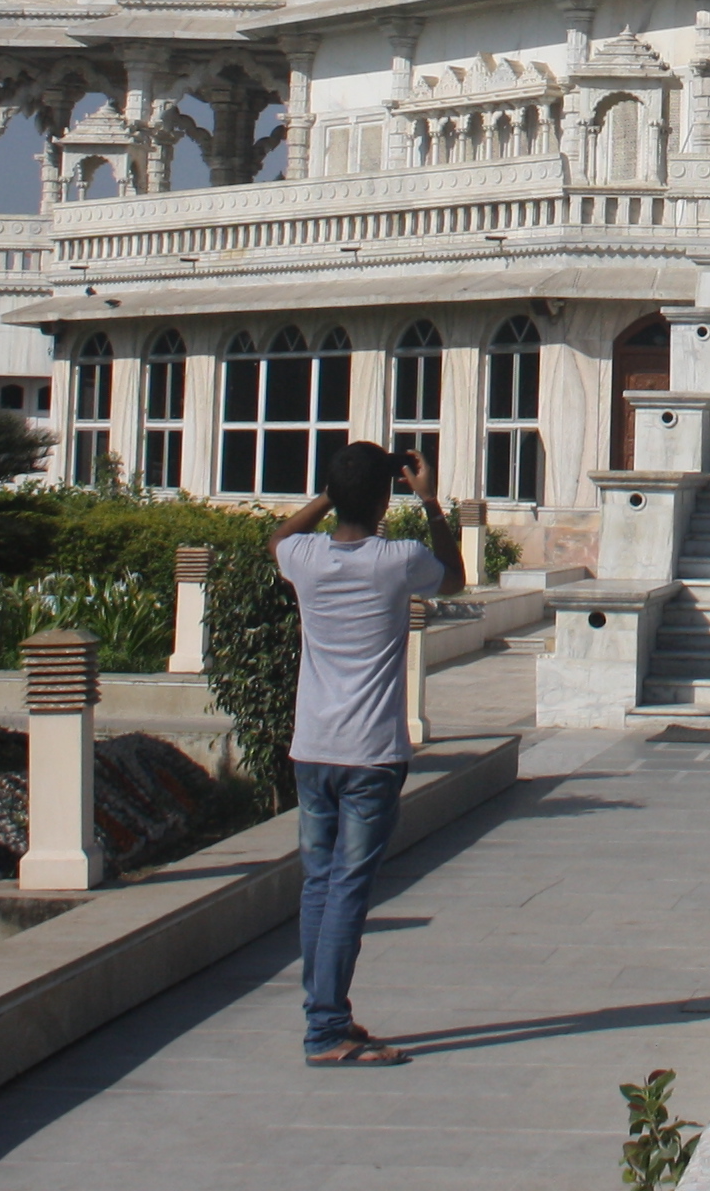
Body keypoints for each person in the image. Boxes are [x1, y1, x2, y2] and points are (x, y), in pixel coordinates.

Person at [274, 439, 449, 1068]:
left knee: (319, 884)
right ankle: (326, 1028)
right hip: (371, 753)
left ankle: (327, 1016)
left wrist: (333, 492)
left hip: (313, 748)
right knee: (348, 887)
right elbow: (453, 575)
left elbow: (275, 537)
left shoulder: (305, 556)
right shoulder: (397, 560)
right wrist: (428, 500)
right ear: (385, 498)